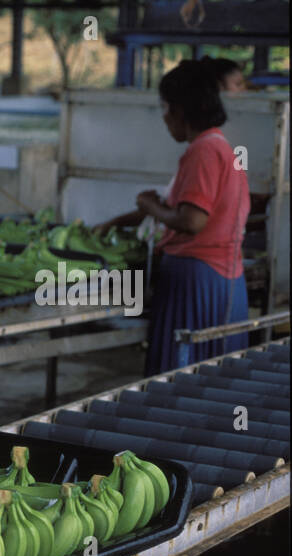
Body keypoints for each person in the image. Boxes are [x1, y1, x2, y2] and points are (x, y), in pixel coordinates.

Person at [96, 60, 249, 374]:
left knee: (180, 376)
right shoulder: (220, 146)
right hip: (221, 277)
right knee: (211, 379)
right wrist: (123, 218)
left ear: (180, 109)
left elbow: (192, 221)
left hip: (195, 278)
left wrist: (148, 205)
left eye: (164, 107)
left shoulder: (203, 152)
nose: (164, 117)